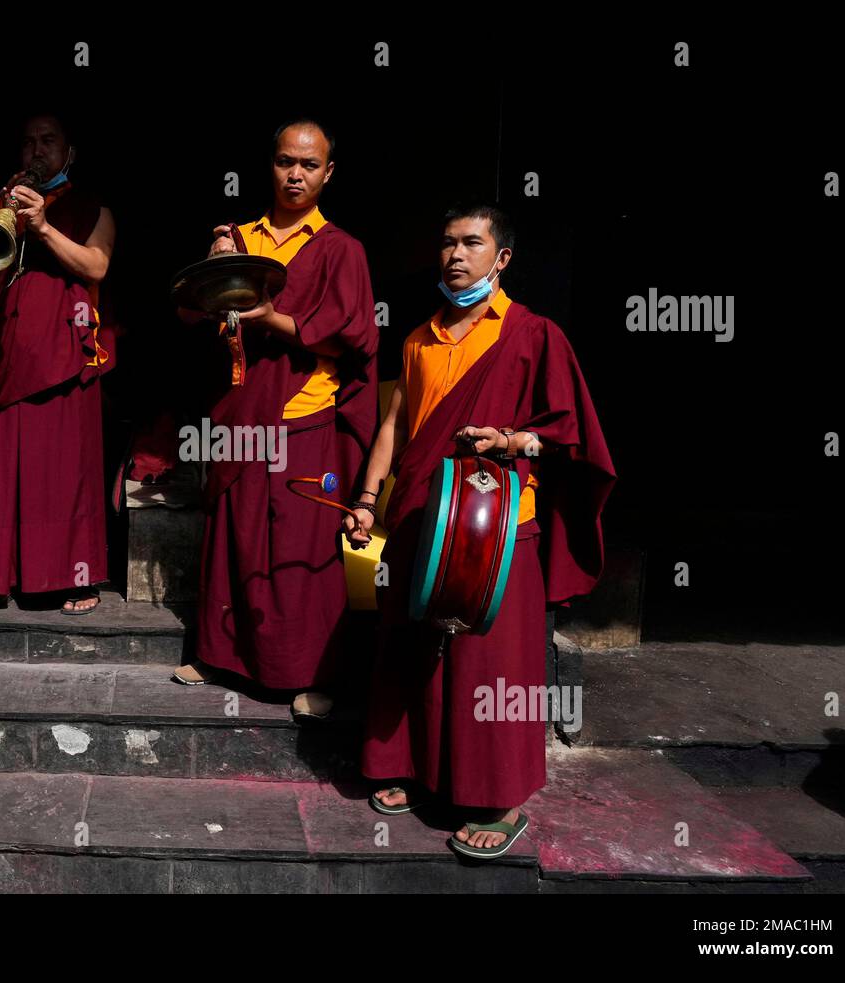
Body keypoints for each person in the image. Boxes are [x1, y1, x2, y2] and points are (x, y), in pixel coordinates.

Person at [348, 202, 615, 858]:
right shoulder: (418, 337)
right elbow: (395, 425)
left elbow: (568, 435)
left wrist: (512, 440)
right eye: (448, 242)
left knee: (489, 663)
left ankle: (500, 799)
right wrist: (366, 499)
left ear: (503, 258)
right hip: (421, 518)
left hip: (497, 527)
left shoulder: (533, 334)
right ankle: (414, 768)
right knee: (411, 646)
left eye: (472, 242)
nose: (456, 255)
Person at [174, 119, 378, 723]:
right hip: (241, 410)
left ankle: (311, 673)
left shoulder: (341, 248)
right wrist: (212, 271)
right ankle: (221, 656)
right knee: (234, 537)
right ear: (271, 165)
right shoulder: (238, 238)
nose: (296, 174)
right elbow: (188, 315)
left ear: (328, 173)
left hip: (303, 414)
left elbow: (351, 338)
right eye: (286, 161)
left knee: (300, 551)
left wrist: (270, 319)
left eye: (309, 165)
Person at [0, 114, 115, 614]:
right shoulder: (1, 202)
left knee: (64, 472)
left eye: (48, 141)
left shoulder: (93, 208)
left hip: (64, 355)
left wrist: (43, 226)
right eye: (28, 142)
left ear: (70, 153)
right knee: (1, 469)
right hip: (7, 354)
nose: (37, 150)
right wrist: (5, 212)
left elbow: (96, 266)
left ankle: (74, 578)